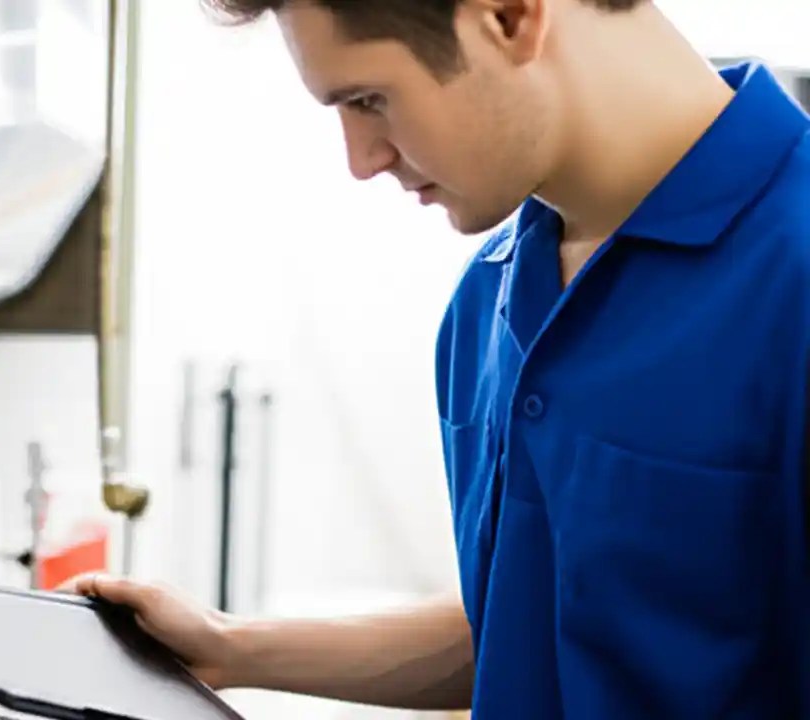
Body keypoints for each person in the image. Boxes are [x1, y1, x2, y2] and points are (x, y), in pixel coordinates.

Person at [64, 0, 810, 717]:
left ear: (509, 16)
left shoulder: (793, 275)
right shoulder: (490, 296)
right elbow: (543, 622)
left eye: (369, 99)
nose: (362, 160)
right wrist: (232, 647)